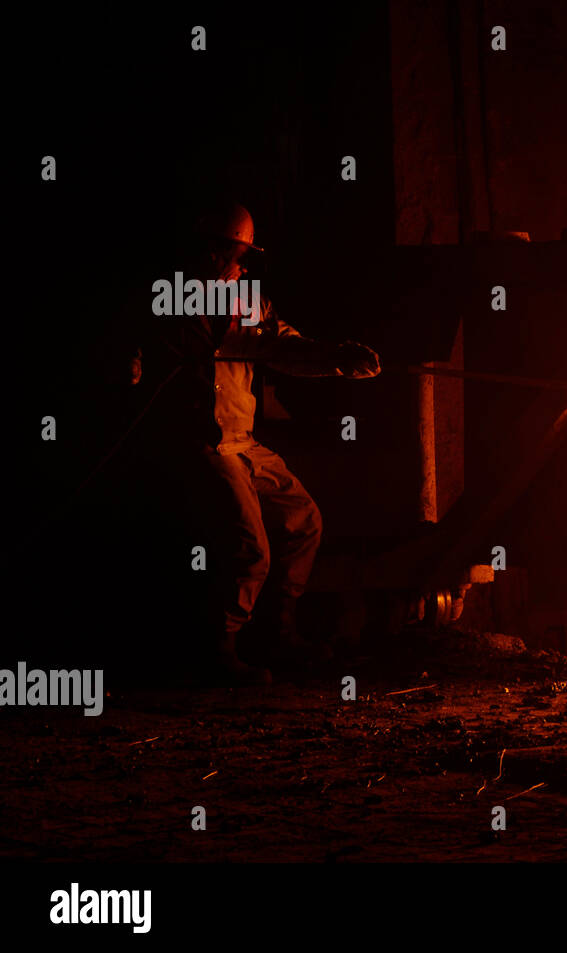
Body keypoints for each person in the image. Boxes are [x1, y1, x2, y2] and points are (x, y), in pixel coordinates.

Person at [133, 202, 381, 685]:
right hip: (202, 441)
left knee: (302, 519)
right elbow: (133, 341)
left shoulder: (247, 301)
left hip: (241, 439)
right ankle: (219, 650)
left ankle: (278, 634)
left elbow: (284, 346)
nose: (229, 258)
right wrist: (133, 365)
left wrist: (335, 358)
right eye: (224, 249)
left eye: (234, 251)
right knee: (251, 549)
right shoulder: (167, 300)